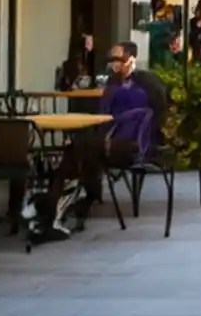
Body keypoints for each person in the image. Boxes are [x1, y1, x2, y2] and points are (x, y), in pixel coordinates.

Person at [33, 41, 166, 242]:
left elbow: (149, 117)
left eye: (117, 59)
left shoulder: (145, 85)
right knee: (78, 153)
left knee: (78, 152)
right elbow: (104, 115)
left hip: (132, 146)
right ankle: (68, 204)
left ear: (131, 59)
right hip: (109, 141)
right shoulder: (114, 84)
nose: (112, 63)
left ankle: (58, 208)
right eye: (110, 59)